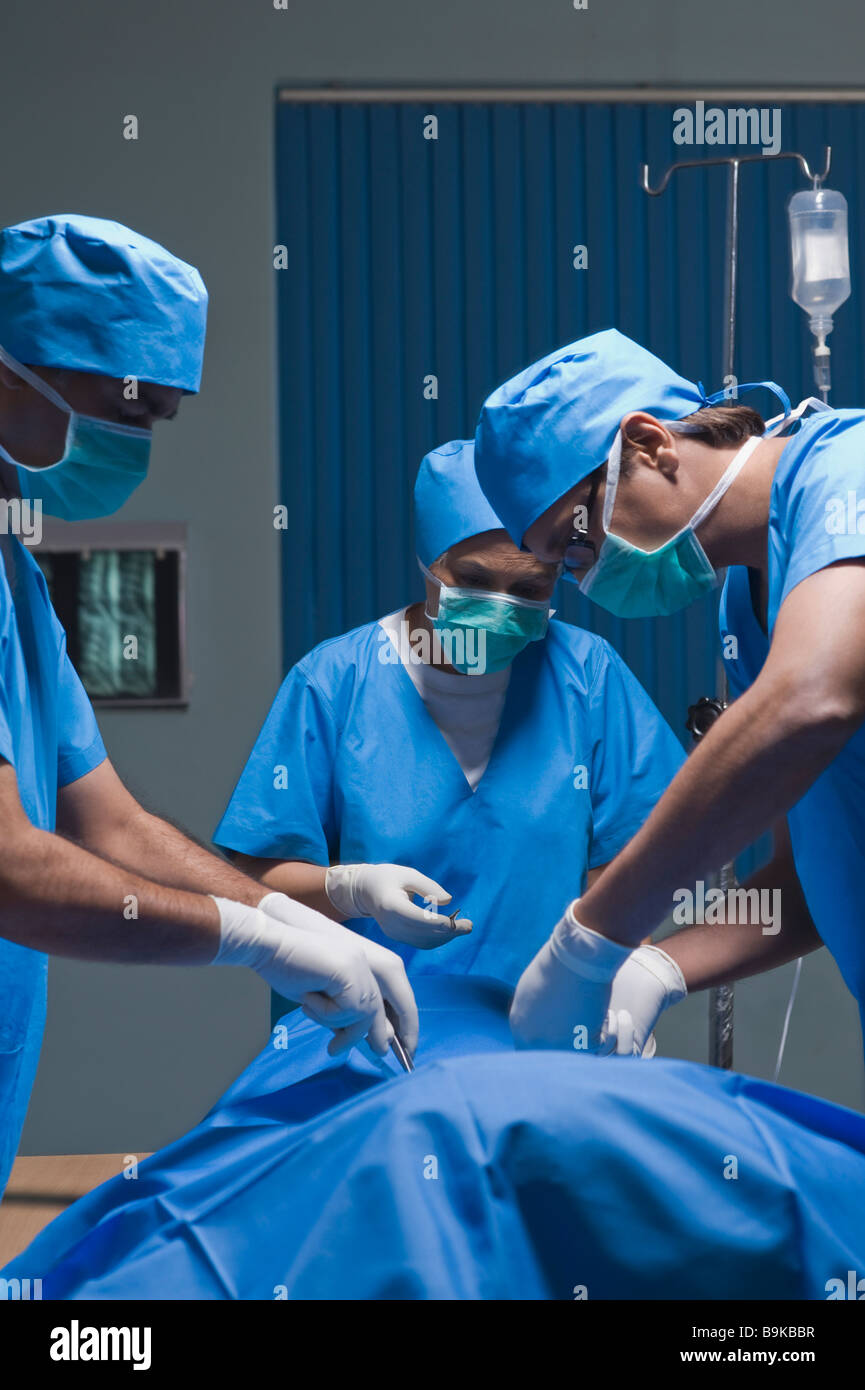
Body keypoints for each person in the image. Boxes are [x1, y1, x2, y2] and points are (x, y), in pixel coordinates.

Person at [0, 214, 414, 1200]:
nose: (138, 440)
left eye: (159, 416)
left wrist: (294, 916)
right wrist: (256, 941)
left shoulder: (16, 576)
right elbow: (11, 865)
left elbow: (112, 823)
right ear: (12, 368)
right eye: (123, 407)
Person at [473, 327, 865, 1053]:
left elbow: (811, 702)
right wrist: (652, 967)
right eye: (569, 568)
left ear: (650, 443)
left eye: (578, 543)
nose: (588, 580)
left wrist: (589, 936)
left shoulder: (847, 472)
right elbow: (812, 881)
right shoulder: (748, 607)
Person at [213, 438, 686, 990]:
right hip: (375, 1027)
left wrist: (622, 976)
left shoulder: (589, 676)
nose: (499, 604)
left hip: (547, 1026)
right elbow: (251, 877)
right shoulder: (334, 683)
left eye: (528, 587)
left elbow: (638, 858)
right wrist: (350, 888)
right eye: (475, 581)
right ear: (429, 562)